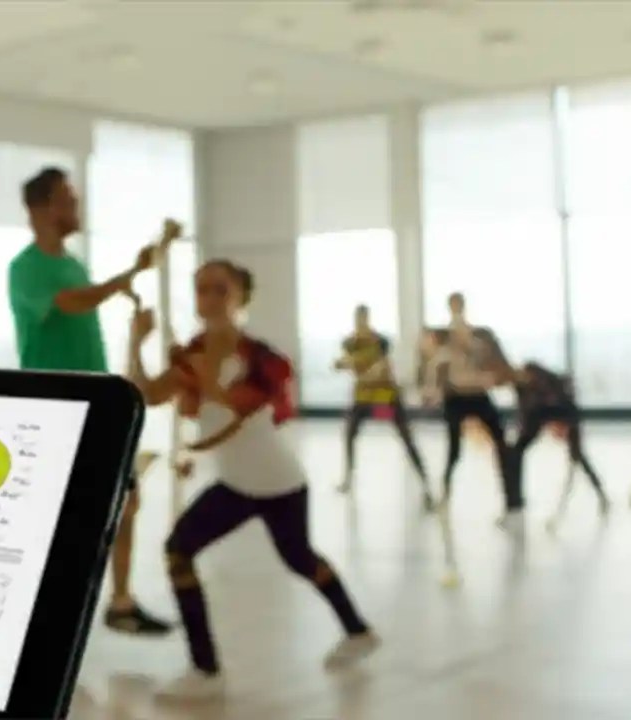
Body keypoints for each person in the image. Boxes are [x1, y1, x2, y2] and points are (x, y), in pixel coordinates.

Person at [128, 260, 379, 700]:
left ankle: (358, 632)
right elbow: (147, 395)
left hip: (276, 479)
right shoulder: (194, 352)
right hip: (238, 483)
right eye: (201, 289)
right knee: (179, 551)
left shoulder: (262, 358)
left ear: (241, 296)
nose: (208, 299)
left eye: (219, 290)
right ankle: (206, 670)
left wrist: (198, 365)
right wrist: (136, 341)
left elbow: (234, 406)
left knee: (298, 558)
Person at [7, 166, 175, 636]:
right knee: (58, 518)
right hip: (53, 410)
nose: (75, 208)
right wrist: (128, 276)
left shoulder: (74, 262)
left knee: (127, 502)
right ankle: (42, 614)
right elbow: (70, 303)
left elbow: (82, 297)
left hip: (97, 404)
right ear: (40, 208)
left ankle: (120, 603)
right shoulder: (25, 268)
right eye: (66, 199)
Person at [423, 293, 521, 523]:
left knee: (500, 444)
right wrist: (433, 388)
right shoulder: (446, 338)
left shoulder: (476, 335)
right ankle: (444, 497)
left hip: (477, 395)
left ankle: (511, 500)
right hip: (457, 398)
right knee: (454, 451)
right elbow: (436, 364)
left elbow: (487, 359)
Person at [334, 304, 432, 509]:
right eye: (358, 318)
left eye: (363, 317)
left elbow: (381, 368)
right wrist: (348, 364)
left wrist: (359, 369)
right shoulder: (351, 343)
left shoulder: (380, 342)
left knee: (406, 436)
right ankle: (348, 478)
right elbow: (340, 363)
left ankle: (425, 483)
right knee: (350, 431)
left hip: (385, 402)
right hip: (364, 403)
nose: (361, 321)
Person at [510, 361, 610, 516]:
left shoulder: (555, 385)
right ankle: (515, 500)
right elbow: (524, 413)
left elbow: (569, 411)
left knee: (578, 456)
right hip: (541, 415)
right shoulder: (523, 388)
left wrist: (563, 426)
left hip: (562, 413)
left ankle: (601, 495)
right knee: (517, 452)